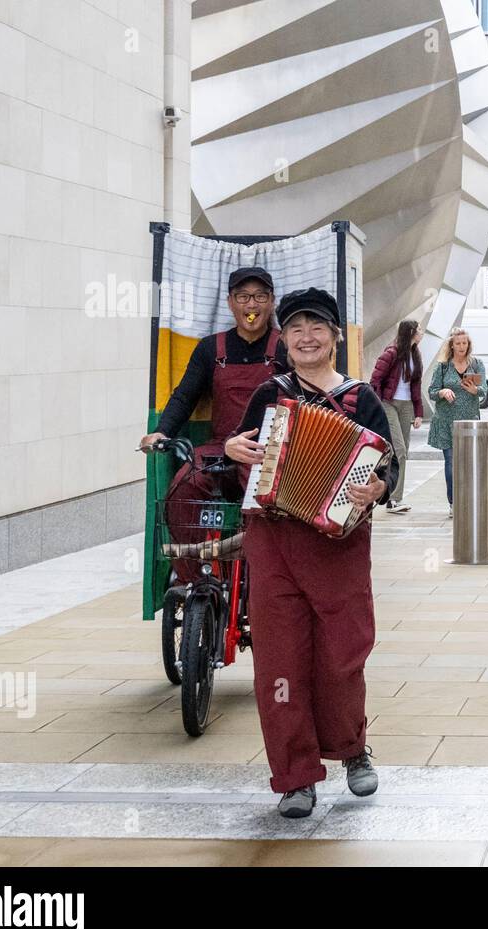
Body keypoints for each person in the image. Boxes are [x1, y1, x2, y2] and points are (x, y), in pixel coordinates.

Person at [225, 287, 398, 819]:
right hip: (274, 540)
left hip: (338, 546)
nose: (306, 337)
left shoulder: (361, 398)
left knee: (343, 655)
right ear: (285, 337)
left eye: (317, 328)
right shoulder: (268, 395)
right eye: (296, 328)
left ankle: (351, 749)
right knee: (280, 663)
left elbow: (388, 467)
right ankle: (295, 777)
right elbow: (245, 452)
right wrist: (234, 448)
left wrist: (377, 488)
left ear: (335, 337)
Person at [140, 267, 287, 580]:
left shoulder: (286, 347)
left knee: (266, 505)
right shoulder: (210, 348)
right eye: (243, 297)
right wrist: (161, 432)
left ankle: (263, 578)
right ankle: (195, 578)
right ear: (230, 303)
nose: (252, 305)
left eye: (260, 296)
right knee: (183, 488)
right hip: (220, 448)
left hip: (269, 453)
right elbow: (184, 396)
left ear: (272, 302)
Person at [426, 326, 487, 518]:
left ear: (468, 345)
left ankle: (470, 500)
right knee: (451, 463)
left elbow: (484, 389)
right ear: (451, 345)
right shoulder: (442, 367)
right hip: (447, 422)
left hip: (470, 421)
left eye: (464, 343)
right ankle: (453, 502)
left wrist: (475, 391)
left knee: (470, 463)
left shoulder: (477, 364)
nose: (461, 346)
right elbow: (431, 392)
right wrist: (443, 392)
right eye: (458, 343)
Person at [369, 320, 425, 514]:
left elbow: (416, 386)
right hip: (389, 403)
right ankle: (392, 499)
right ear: (410, 332)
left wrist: (418, 412)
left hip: (406, 405)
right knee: (398, 448)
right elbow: (375, 380)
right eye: (418, 330)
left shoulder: (416, 354)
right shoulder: (391, 353)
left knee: (404, 451)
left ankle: (395, 497)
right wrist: (377, 406)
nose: (421, 332)